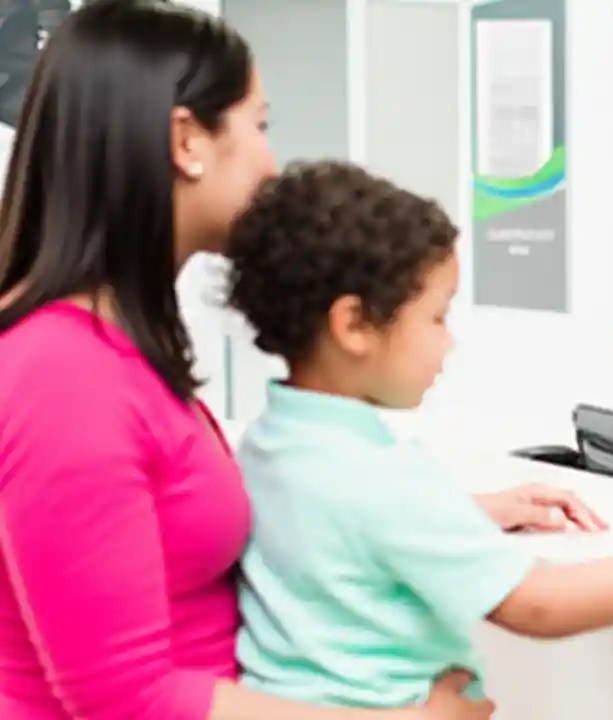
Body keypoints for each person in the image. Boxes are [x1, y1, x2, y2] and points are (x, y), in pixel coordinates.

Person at [0, 2, 566, 717]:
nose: (271, 162)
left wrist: (435, 516)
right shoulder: (63, 375)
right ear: (187, 141)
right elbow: (125, 700)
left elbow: (169, 527)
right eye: (258, 127)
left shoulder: (113, 348)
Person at [222, 160, 613, 708]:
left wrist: (462, 511)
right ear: (353, 325)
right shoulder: (384, 479)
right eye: (437, 318)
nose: (449, 343)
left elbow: (341, 534)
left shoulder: (270, 445)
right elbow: (537, 606)